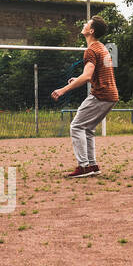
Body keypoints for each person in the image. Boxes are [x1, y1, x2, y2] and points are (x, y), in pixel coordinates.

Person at [51, 15, 117, 178]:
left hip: (101, 95)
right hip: (111, 95)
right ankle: (92, 165)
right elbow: (98, 73)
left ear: (91, 30)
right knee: (87, 129)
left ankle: (84, 167)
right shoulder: (101, 47)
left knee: (76, 126)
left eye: (87, 24)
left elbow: (87, 76)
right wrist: (79, 79)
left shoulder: (91, 50)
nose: (84, 24)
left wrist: (63, 90)